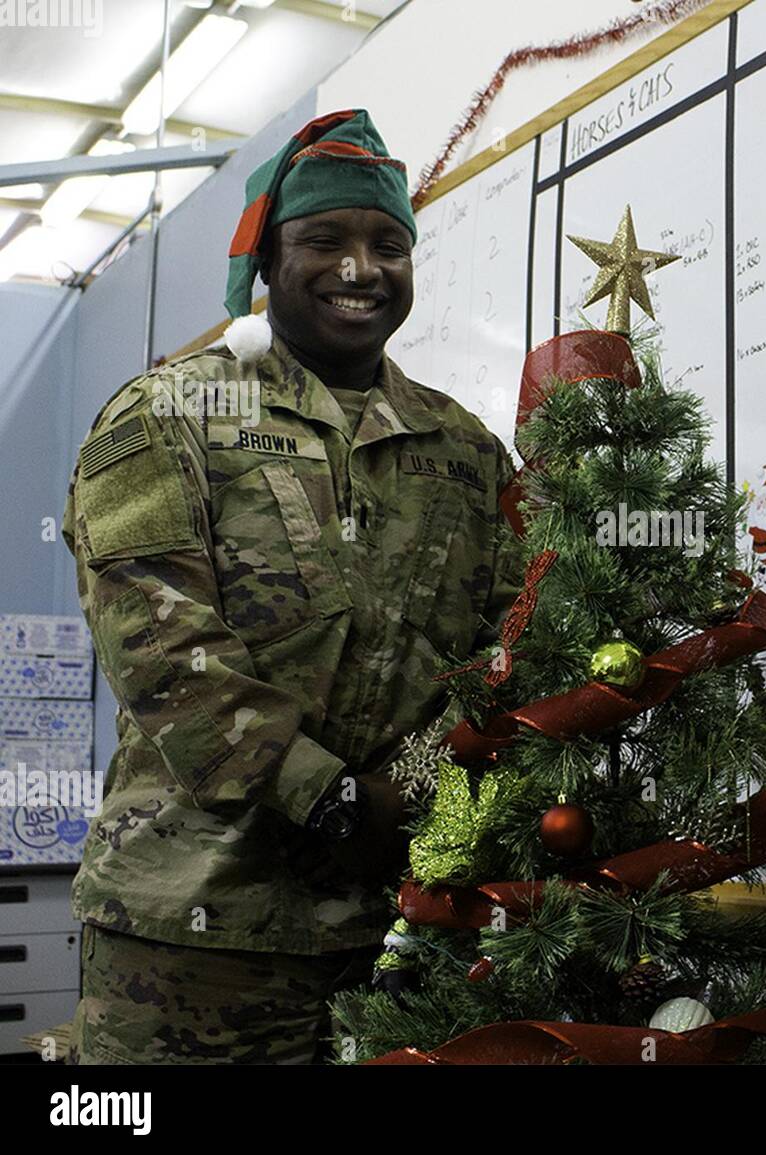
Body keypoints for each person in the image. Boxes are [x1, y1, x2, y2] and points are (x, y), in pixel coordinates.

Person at [60, 109, 523, 1064]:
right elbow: (157, 646)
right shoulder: (172, 409)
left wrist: (419, 787)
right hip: (190, 934)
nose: (361, 267)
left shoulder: (468, 449)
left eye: (387, 244)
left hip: (405, 931)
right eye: (325, 240)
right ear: (270, 263)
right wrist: (331, 796)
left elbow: (507, 649)